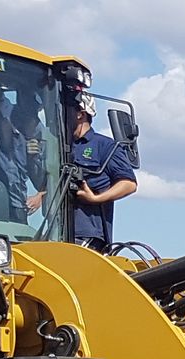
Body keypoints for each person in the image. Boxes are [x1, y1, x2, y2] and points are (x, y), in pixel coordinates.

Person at [61, 94, 135, 251]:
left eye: (65, 109)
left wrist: (95, 198)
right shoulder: (59, 145)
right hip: (54, 230)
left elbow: (129, 184)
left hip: (86, 234)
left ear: (81, 113)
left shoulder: (106, 146)